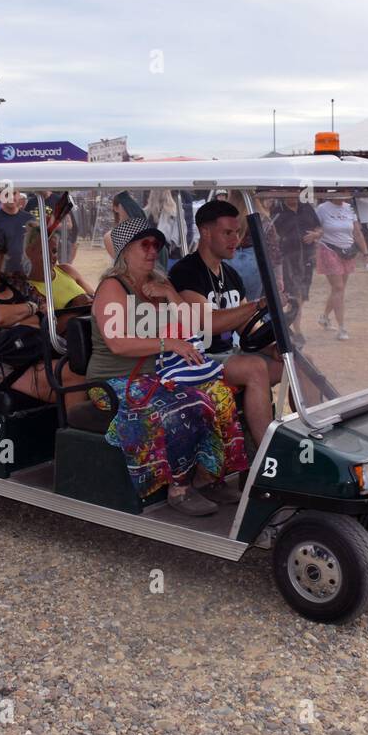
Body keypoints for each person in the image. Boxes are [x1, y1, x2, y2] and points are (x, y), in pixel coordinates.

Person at [88, 217, 249, 516]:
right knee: (187, 405)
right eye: (144, 245)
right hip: (114, 379)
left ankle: (208, 477)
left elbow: (191, 326)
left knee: (221, 394)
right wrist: (168, 343)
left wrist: (171, 295)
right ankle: (179, 487)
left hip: (161, 374)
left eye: (156, 245)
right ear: (125, 251)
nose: (153, 251)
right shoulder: (113, 287)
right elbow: (118, 344)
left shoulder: (158, 283)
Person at [169, 199, 281, 447]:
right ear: (206, 233)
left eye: (238, 232)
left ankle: (315, 438)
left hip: (229, 356)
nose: (236, 239)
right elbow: (206, 323)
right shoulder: (186, 272)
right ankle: (267, 453)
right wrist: (258, 305)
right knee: (254, 368)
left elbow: (246, 327)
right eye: (228, 232)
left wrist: (272, 346)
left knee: (293, 362)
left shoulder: (230, 274)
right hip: (197, 358)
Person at [0, 230, 85, 405]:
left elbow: (46, 313)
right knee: (74, 376)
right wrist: (31, 308)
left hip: (34, 350)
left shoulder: (17, 282)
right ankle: (72, 431)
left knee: (85, 365)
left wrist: (17, 321)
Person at [313, 193, 368, 341]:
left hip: (347, 251)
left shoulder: (349, 209)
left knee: (338, 289)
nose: (344, 195)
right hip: (328, 249)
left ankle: (325, 317)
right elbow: (315, 229)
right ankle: (342, 327)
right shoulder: (322, 209)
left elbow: (357, 232)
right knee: (338, 288)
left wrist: (366, 253)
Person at [25, 220, 95, 332]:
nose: (52, 257)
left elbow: (94, 295)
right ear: (29, 252)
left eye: (54, 251)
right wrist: (76, 309)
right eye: (44, 252)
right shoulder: (30, 289)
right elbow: (51, 330)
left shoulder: (66, 270)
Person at [273, 193, 323, 341]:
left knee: (300, 293)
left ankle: (295, 327)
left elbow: (319, 228)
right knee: (288, 293)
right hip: (286, 258)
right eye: (289, 192)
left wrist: (316, 235)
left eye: (295, 192)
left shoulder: (306, 207)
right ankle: (284, 328)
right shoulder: (277, 210)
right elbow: (270, 232)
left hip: (306, 256)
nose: (293, 196)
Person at [0, 191, 34, 276]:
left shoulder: (29, 219)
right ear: (0, 196)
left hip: (30, 273)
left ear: (19, 195)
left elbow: (38, 245)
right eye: (7, 194)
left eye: (14, 193)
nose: (11, 197)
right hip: (5, 275)